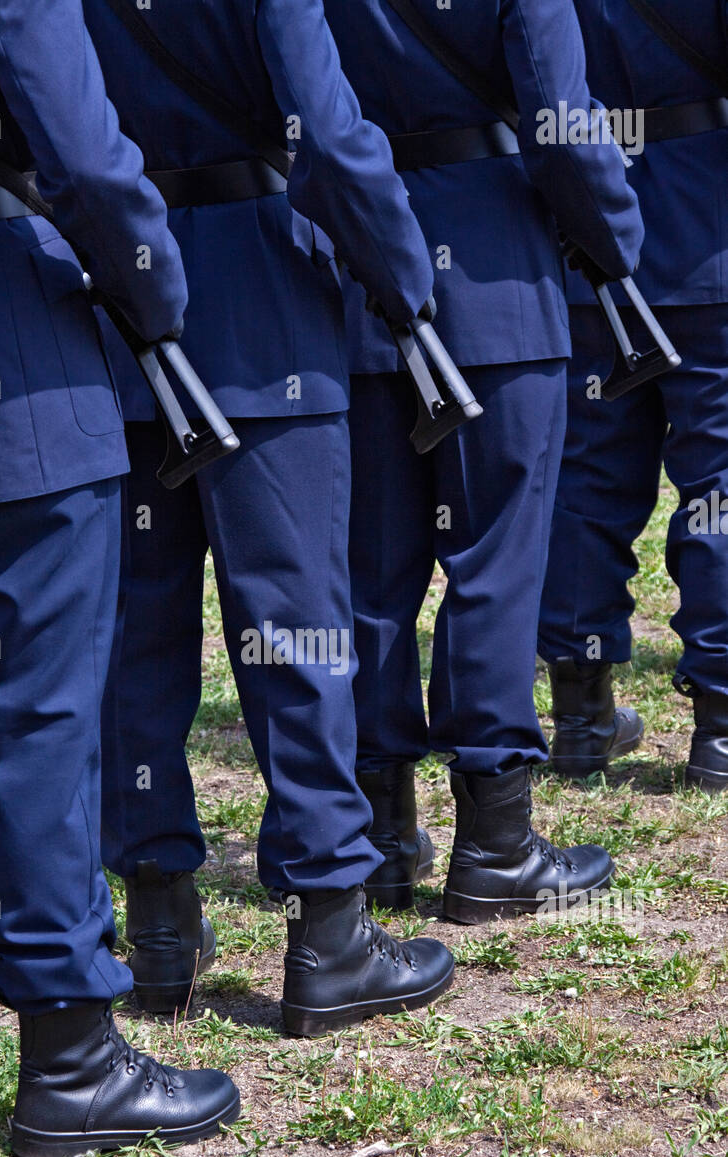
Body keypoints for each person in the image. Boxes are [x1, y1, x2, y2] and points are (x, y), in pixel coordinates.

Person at [0, 0, 239, 1157]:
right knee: (40, 716)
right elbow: (87, 157)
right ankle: (71, 1054)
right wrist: (160, 301)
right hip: (11, 370)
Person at [82, 0, 455, 1037]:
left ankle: (159, 927)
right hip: (263, 318)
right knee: (295, 632)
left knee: (136, 643)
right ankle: (327, 930)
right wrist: (405, 285)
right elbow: (329, 141)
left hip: (123, 326)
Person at [322, 0, 644, 924]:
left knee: (371, 578)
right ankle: (496, 842)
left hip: (363, 282)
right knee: (495, 564)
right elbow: (564, 124)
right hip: (499, 277)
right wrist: (616, 242)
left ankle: (383, 837)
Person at [538, 0, 728, 793]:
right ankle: (720, 728)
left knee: (585, 482)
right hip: (709, 231)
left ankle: (581, 721)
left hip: (587, 237)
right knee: (719, 483)